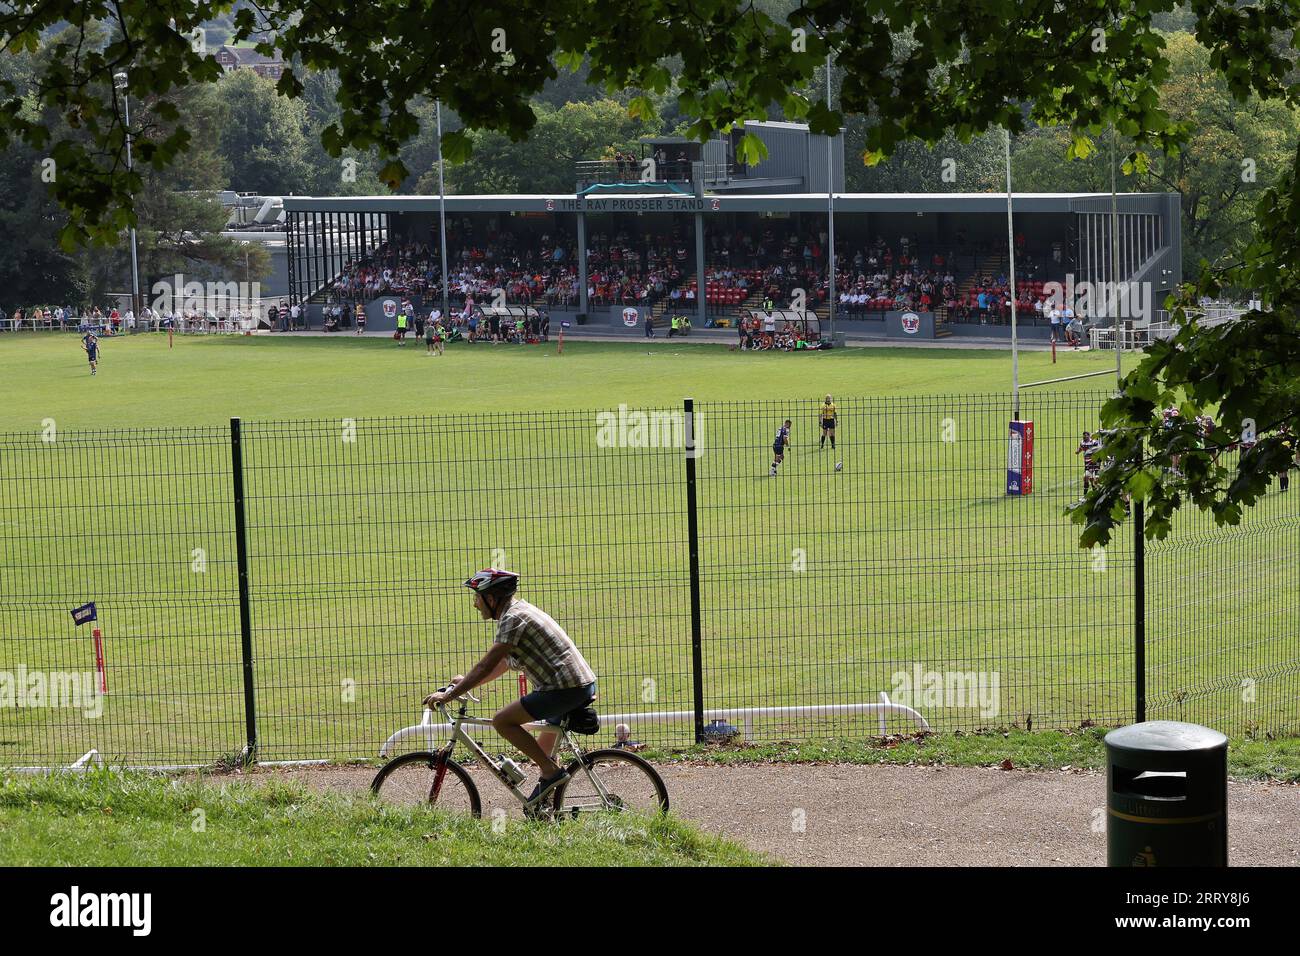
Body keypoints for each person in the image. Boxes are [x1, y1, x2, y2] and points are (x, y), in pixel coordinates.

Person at [423, 569, 597, 812]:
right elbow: (503, 662)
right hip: (573, 685)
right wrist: (465, 682)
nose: (475, 604)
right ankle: (545, 810)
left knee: (503, 721)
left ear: (491, 599)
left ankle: (552, 773)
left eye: (477, 598)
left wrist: (449, 695)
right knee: (544, 752)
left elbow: (486, 665)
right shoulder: (517, 612)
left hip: (564, 689)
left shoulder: (513, 619)